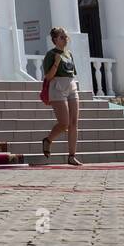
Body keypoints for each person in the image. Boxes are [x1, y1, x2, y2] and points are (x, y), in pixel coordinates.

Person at [41, 26, 83, 165]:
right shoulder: (51, 54)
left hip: (71, 85)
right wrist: (56, 62)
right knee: (64, 123)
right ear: (55, 40)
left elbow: (72, 72)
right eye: (62, 37)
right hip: (57, 87)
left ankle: (72, 156)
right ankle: (48, 140)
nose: (65, 39)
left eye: (66, 37)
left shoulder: (69, 54)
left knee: (74, 123)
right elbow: (48, 76)